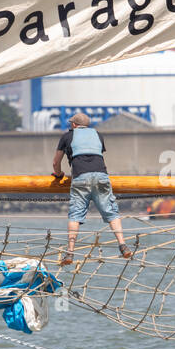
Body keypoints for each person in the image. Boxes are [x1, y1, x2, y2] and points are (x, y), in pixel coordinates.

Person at [52, 112, 134, 264]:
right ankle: (123, 245)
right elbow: (96, 156)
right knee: (111, 211)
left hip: (80, 177)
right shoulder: (97, 135)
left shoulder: (67, 136)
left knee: (75, 215)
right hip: (101, 175)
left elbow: (56, 162)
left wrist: (59, 174)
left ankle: (70, 252)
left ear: (74, 125)